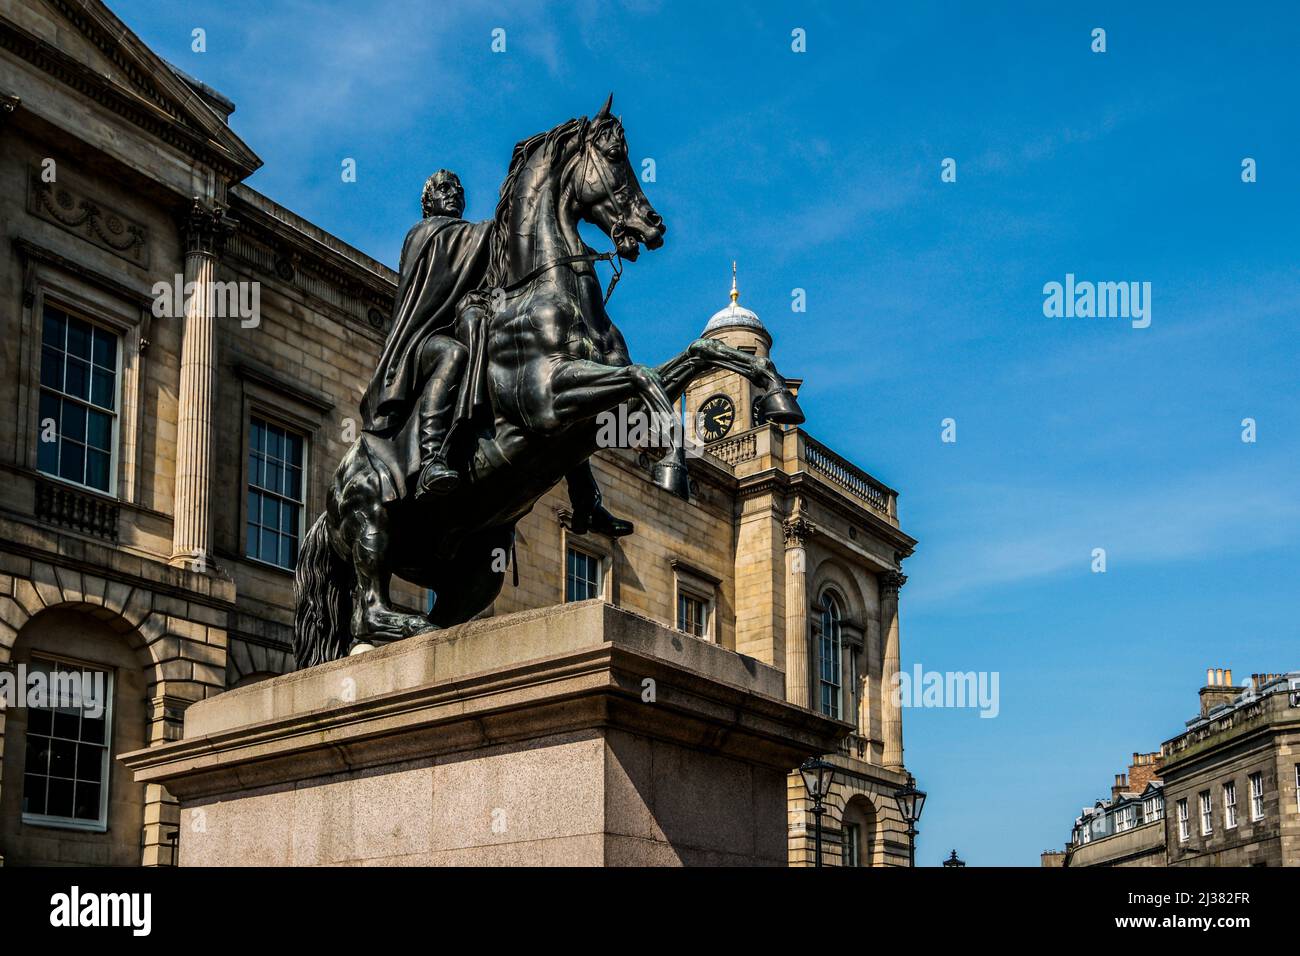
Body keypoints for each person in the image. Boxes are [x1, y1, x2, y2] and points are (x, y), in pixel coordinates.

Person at [360, 170, 632, 535]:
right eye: (443, 189)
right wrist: (524, 209)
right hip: (424, 343)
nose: (453, 194)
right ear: (428, 202)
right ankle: (431, 458)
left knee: (546, 398)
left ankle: (587, 499)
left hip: (470, 334)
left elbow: (499, 271)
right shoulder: (427, 234)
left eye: (457, 189)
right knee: (452, 357)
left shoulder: (474, 242)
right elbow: (454, 270)